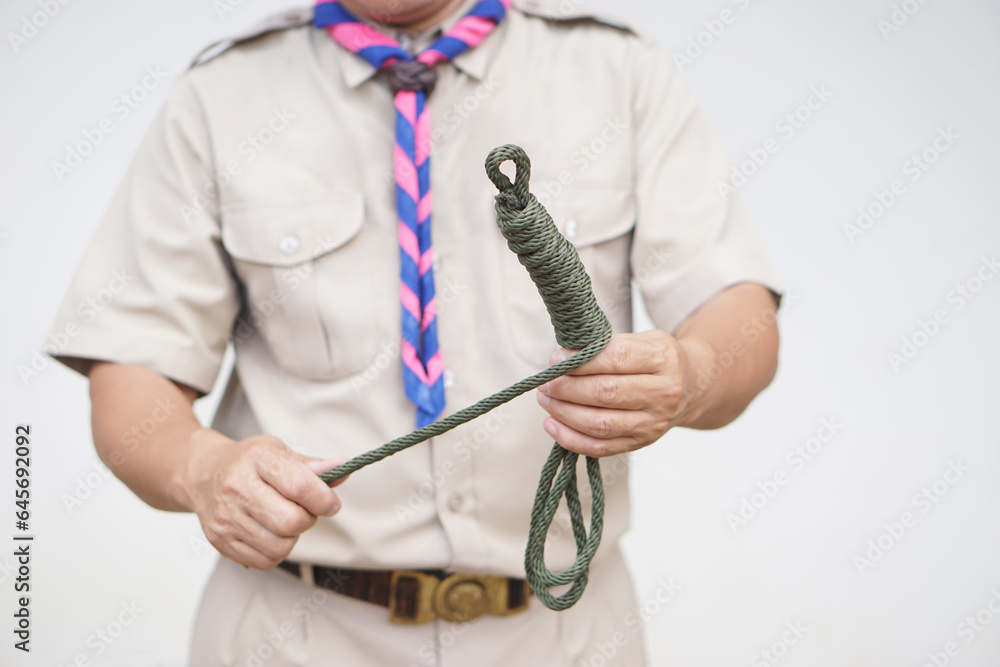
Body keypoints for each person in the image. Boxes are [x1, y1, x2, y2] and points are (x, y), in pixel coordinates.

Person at [46, 0, 782, 664]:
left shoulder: (619, 70)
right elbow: (131, 374)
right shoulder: (219, 97)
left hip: (566, 634)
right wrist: (204, 469)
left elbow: (739, 315)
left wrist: (689, 373)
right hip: (293, 638)